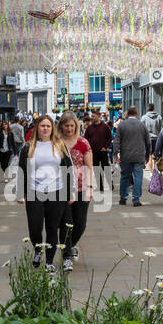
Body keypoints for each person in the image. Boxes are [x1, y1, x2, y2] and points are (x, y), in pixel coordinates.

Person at [16, 114, 75, 270]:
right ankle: (37, 249)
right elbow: (21, 170)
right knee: (35, 228)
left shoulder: (59, 145)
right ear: (37, 127)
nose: (45, 128)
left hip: (57, 191)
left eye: (48, 126)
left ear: (52, 128)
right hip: (35, 191)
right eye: (42, 125)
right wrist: (20, 193)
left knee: (52, 228)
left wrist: (71, 192)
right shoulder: (28, 147)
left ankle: (49, 262)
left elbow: (68, 169)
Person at [57, 112, 93, 269]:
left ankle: (70, 246)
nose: (69, 128)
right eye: (66, 125)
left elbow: (90, 168)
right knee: (66, 223)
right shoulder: (56, 143)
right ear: (61, 126)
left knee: (80, 223)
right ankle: (66, 256)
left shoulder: (83, 142)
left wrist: (90, 188)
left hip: (80, 187)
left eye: (72, 125)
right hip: (61, 189)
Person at [114, 106, 151, 207]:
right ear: (136, 114)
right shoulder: (142, 125)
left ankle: (123, 198)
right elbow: (148, 142)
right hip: (139, 156)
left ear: (128, 114)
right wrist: (147, 155)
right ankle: (136, 199)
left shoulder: (122, 125)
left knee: (124, 177)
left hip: (125, 156)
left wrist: (115, 154)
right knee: (138, 177)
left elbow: (116, 141)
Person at [84, 110, 113, 192]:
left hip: (103, 151)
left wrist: (105, 146)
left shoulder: (105, 126)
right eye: (91, 116)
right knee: (96, 169)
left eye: (93, 116)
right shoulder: (90, 128)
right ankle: (100, 186)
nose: (92, 118)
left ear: (98, 116)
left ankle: (110, 184)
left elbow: (110, 138)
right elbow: (85, 139)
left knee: (106, 168)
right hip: (93, 152)